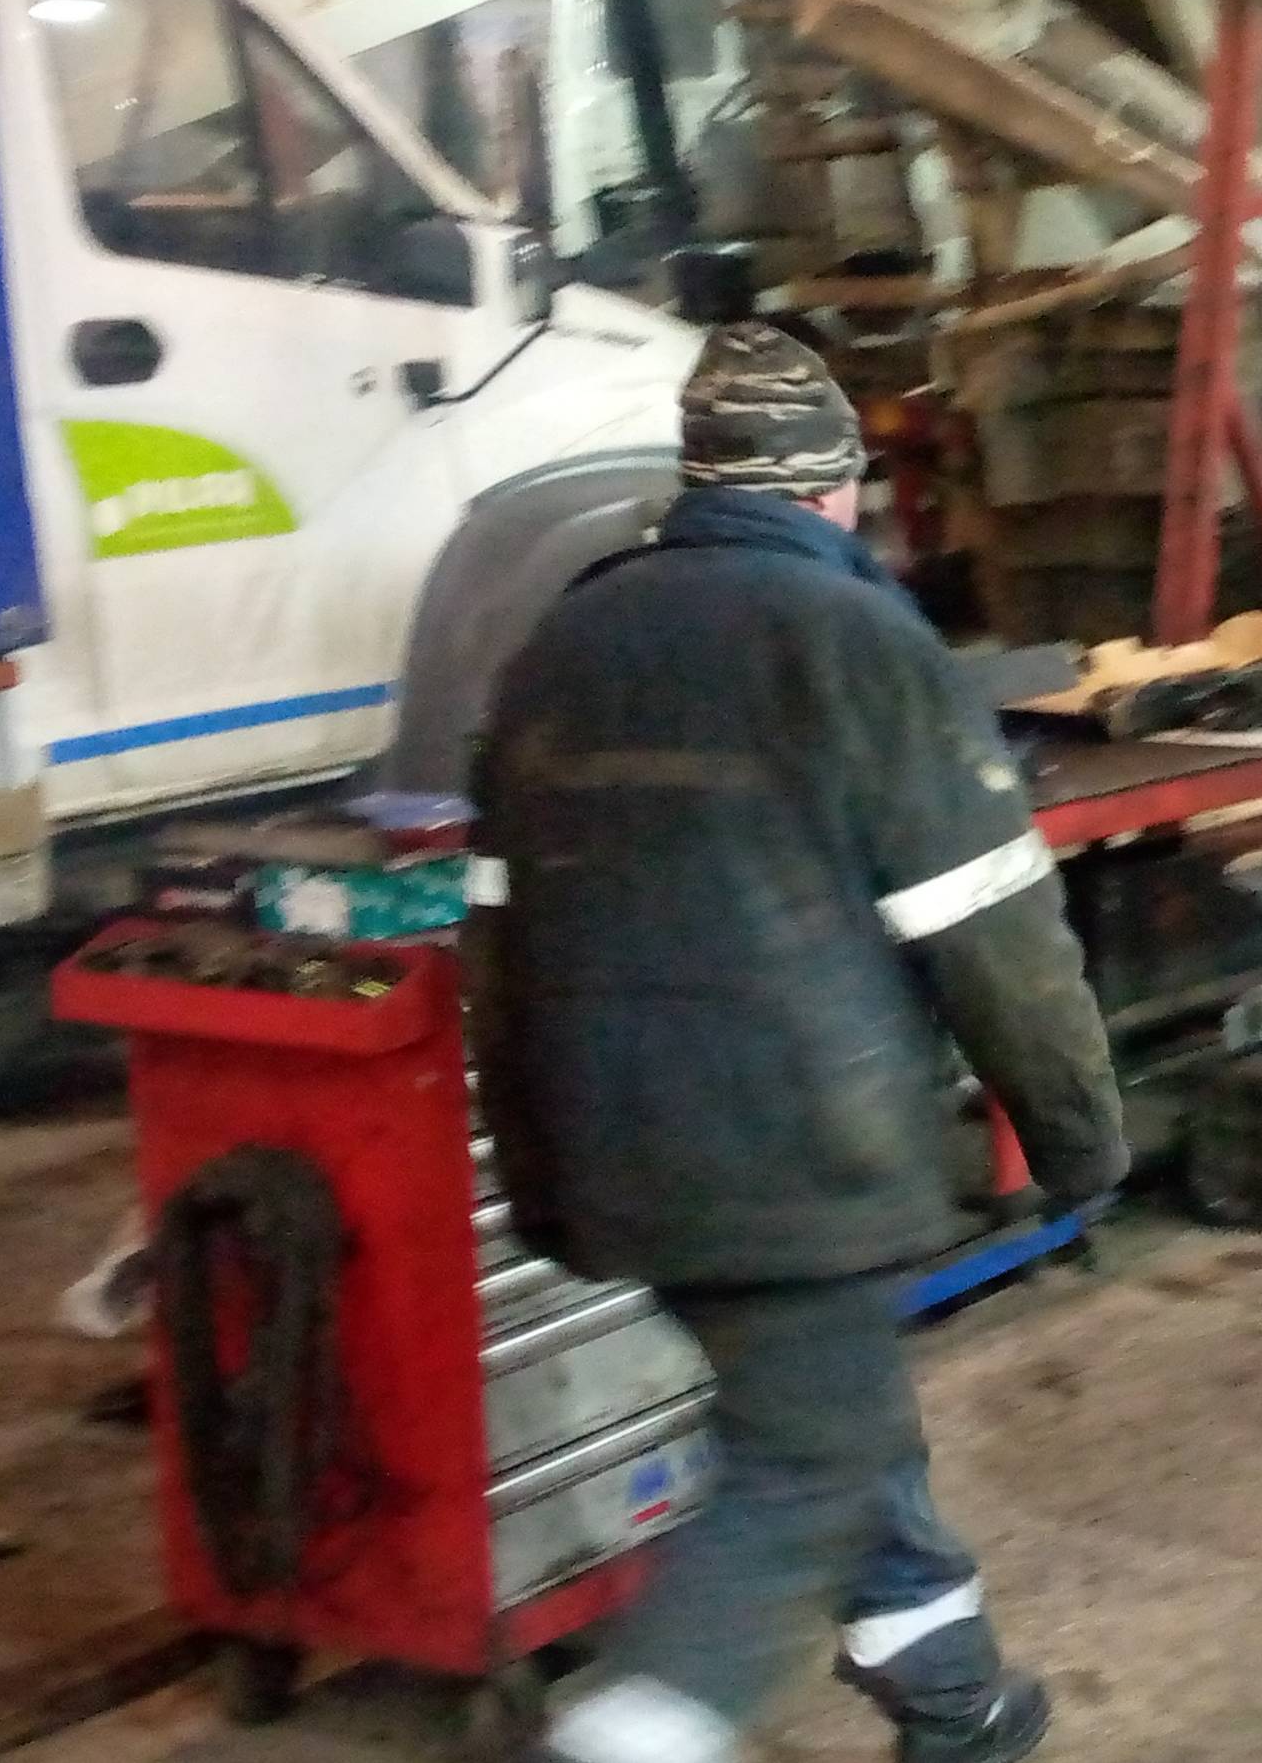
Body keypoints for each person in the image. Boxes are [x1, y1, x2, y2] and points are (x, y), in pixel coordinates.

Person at [476, 323, 1124, 1763]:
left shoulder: (559, 646)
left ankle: (954, 1698)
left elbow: (496, 937)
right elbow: (999, 942)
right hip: (792, 1147)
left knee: (828, 1409)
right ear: (835, 492)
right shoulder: (858, 640)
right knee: (807, 1452)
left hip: (608, 1140)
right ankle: (633, 1730)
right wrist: (1080, 1140)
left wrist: (535, 1166)